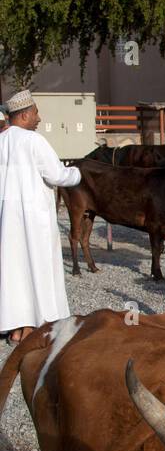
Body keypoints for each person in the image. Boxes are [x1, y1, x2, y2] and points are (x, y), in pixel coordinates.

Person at [0, 89, 82, 343]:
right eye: (36, 112)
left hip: (7, 218)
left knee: (14, 270)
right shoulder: (34, 141)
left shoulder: (1, 140)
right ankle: (39, 326)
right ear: (24, 114)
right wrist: (79, 173)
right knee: (39, 268)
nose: (39, 117)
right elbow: (58, 175)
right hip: (34, 218)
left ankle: (16, 328)